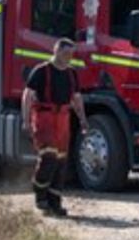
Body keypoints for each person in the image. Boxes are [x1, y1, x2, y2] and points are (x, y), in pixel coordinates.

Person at [21, 39, 89, 217]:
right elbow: (27, 95)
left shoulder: (72, 74)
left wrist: (83, 119)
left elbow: (76, 98)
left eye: (71, 54)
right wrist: (26, 120)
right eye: (66, 53)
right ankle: (40, 194)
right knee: (48, 156)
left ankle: (55, 202)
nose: (69, 58)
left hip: (63, 120)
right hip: (44, 118)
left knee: (61, 162)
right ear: (56, 51)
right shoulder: (41, 71)